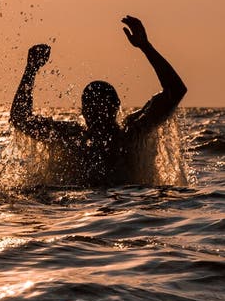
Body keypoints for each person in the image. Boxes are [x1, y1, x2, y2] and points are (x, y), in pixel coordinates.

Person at [10, 16, 187, 186]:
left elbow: (20, 118)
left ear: (83, 112)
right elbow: (176, 90)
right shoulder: (128, 134)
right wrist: (145, 47)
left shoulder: (124, 133)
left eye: (100, 108)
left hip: (90, 205)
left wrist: (31, 70)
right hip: (128, 203)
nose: (97, 114)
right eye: (94, 108)